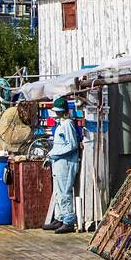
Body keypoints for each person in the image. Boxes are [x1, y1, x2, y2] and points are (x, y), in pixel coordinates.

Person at [44, 95, 79, 235]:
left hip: (66, 162)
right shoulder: (60, 125)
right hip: (57, 163)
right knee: (58, 192)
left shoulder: (68, 124)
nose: (57, 114)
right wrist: (50, 156)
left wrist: (54, 154)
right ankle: (59, 217)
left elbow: (72, 145)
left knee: (65, 192)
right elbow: (58, 145)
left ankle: (68, 221)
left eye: (59, 112)